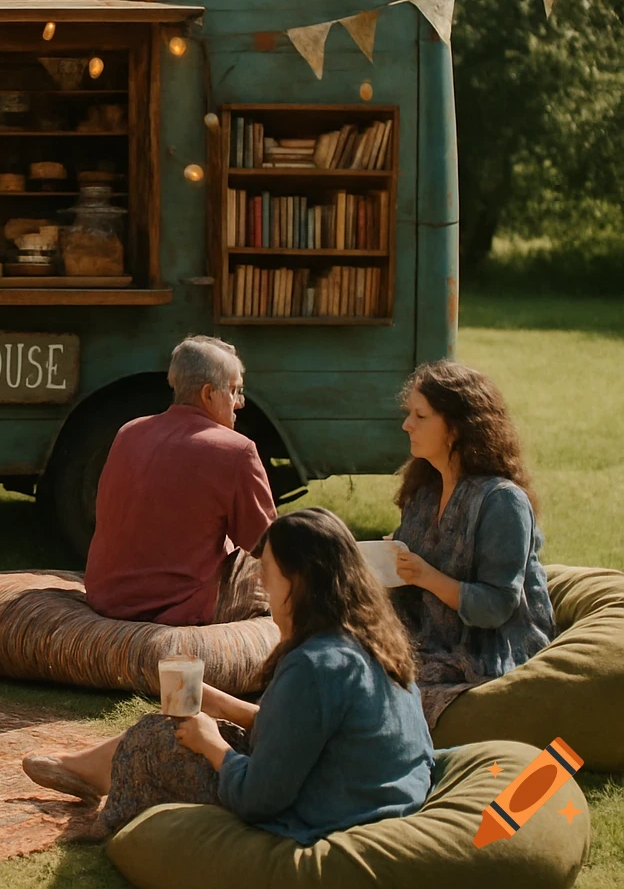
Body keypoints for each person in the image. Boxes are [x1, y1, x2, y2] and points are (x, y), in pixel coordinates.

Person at [24, 508, 435, 844]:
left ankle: (116, 825)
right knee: (192, 726)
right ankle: (91, 771)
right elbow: (305, 731)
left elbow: (260, 798)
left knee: (159, 739)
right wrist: (218, 703)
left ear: (298, 580)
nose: (260, 582)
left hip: (332, 814)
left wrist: (212, 744)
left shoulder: (315, 665)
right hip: (381, 793)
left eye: (267, 570)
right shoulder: (373, 642)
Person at [391, 360, 555, 728]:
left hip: (489, 649)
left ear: (455, 428)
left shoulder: (502, 502)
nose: (407, 425)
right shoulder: (425, 490)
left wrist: (424, 575)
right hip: (426, 638)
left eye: (421, 415)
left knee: (385, 691)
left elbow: (496, 607)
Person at [83, 335, 275, 626]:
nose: (240, 403)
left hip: (107, 599)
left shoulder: (128, 432)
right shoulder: (236, 450)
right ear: (209, 393)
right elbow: (265, 544)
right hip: (180, 608)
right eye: (235, 390)